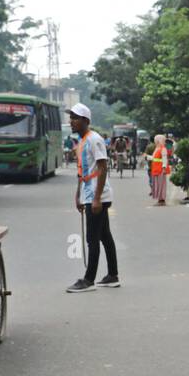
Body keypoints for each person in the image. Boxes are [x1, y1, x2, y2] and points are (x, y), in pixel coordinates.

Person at [65, 103, 119, 292]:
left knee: (92, 239)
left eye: (75, 118)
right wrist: (78, 194)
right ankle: (113, 275)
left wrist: (96, 198)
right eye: (71, 117)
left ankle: (88, 280)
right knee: (105, 236)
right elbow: (84, 171)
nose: (71, 121)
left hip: (98, 195)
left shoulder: (95, 140)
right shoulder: (82, 141)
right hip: (89, 194)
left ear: (85, 121)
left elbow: (103, 167)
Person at [143, 134, 170, 205]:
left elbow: (164, 159)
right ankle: (159, 199)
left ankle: (162, 200)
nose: (155, 142)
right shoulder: (157, 148)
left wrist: (164, 168)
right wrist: (147, 157)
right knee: (157, 184)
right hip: (156, 169)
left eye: (156, 140)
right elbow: (154, 158)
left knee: (161, 185)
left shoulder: (163, 149)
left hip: (161, 169)